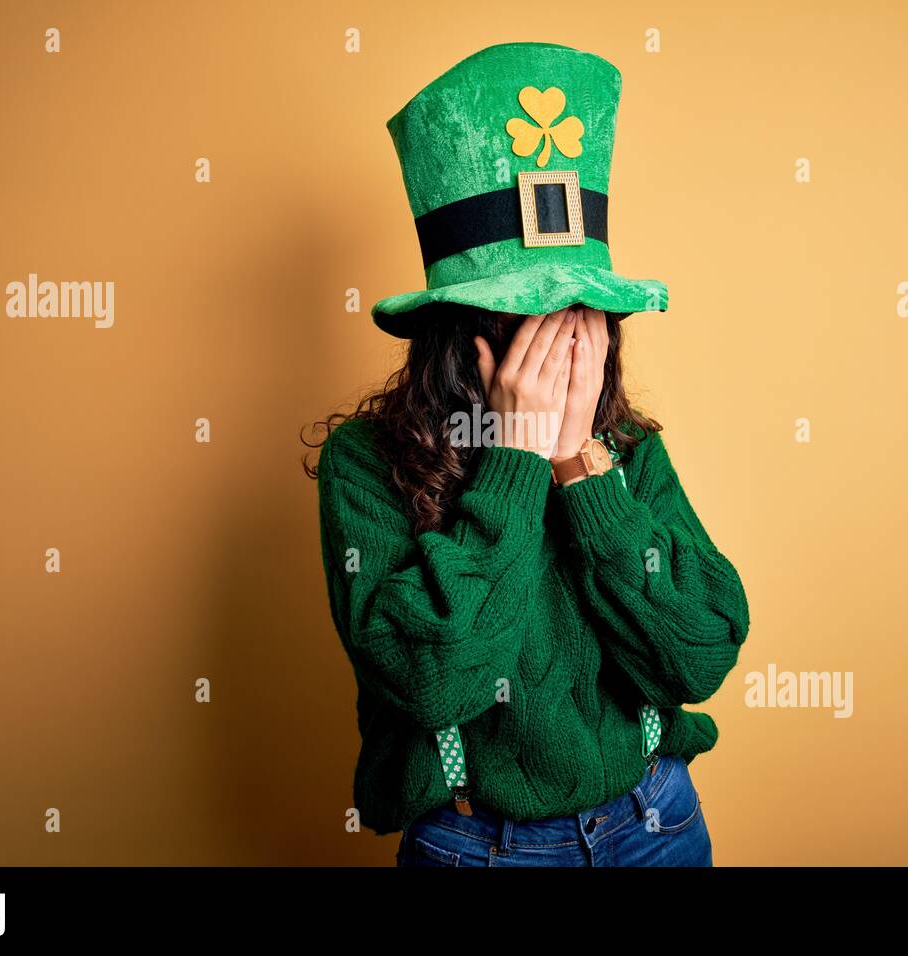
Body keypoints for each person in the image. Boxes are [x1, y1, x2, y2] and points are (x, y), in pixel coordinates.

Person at [303, 42, 751, 866]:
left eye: (583, 309)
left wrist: (580, 465)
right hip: (481, 845)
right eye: (532, 318)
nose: (568, 346)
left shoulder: (625, 449)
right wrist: (511, 457)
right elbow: (438, 681)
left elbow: (702, 652)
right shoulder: (363, 466)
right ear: (460, 330)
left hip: (657, 824)